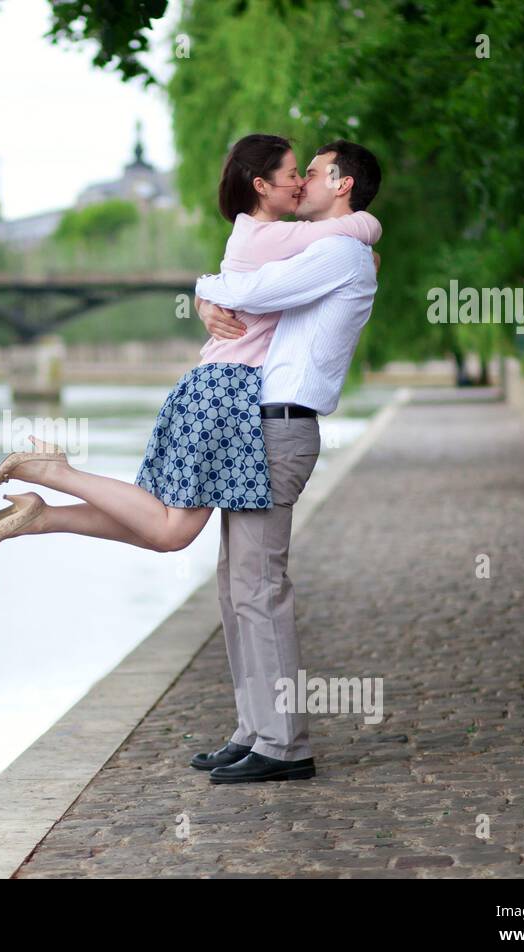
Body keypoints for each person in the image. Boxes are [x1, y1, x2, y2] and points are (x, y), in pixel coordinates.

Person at [0, 134, 380, 562]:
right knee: (171, 529)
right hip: (229, 390)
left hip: (214, 386)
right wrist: (369, 238)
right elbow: (351, 228)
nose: (300, 183)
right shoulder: (279, 237)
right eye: (294, 175)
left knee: (160, 524)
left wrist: (204, 298)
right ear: (261, 185)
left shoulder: (267, 236)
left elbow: (321, 258)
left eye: (307, 174)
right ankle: (54, 472)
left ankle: (43, 515)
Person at [188, 138, 383, 783]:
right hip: (262, 426)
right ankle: (255, 729)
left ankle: (283, 744)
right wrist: (212, 299)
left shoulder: (341, 252)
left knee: (260, 585)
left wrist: (204, 289)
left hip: (281, 430)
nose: (304, 183)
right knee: (237, 581)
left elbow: (256, 288)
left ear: (344, 183)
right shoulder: (325, 243)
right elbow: (253, 284)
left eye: (317, 172)